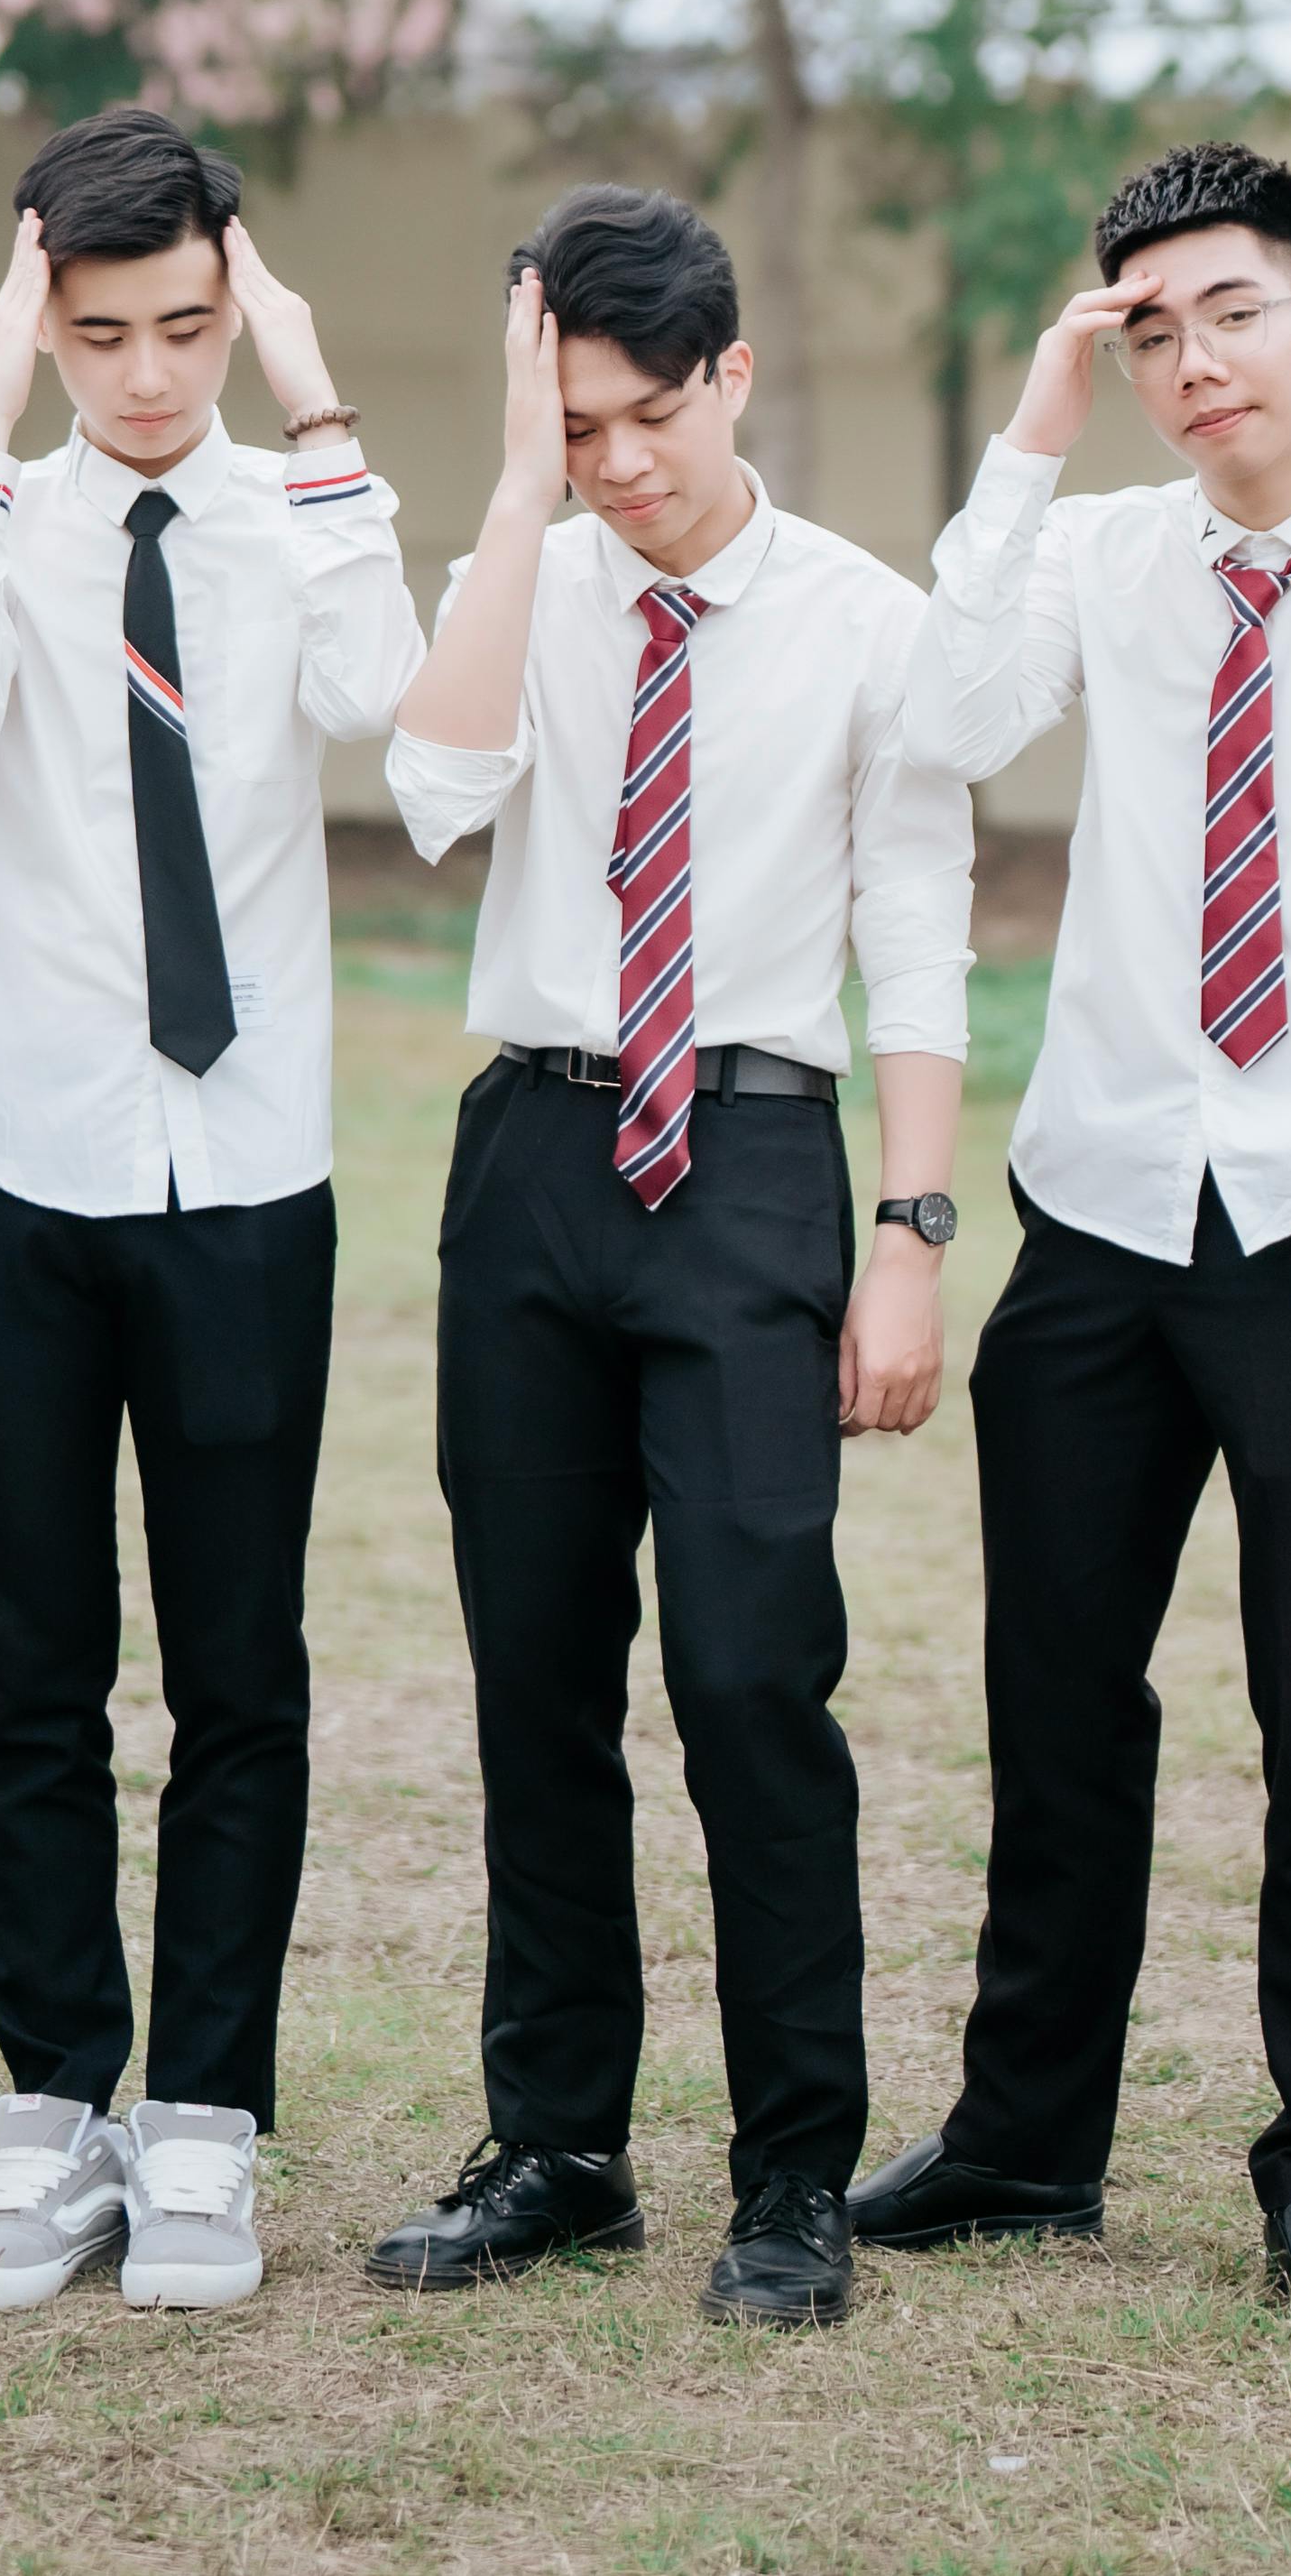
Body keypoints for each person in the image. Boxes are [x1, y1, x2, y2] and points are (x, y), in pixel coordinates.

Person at [855, 136, 1291, 2352]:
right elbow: (940, 720)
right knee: (1056, 1693)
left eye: (1231, 309)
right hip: (1095, 1208)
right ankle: (1024, 2132)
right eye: (1148, 324)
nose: (1194, 358)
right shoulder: (1090, 550)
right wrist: (1034, 421)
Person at [366, 186, 974, 2336]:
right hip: (532, 1144)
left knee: (744, 1677)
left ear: (732, 373)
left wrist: (908, 1235)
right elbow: (433, 787)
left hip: (749, 1156)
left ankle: (794, 2164)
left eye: (645, 417)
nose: (623, 461)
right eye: (577, 421)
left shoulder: (868, 619)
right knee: (537, 1677)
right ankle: (558, 2142)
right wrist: (521, 505)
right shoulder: (528, 567)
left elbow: (915, 927)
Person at [0, 109, 419, 2320]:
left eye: (183, 323)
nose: (145, 372)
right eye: (99, 332)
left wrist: (316, 393)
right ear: (45, 312)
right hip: (5, 1153)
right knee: (34, 1675)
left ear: (229, 290)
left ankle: (201, 2113)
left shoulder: (298, 514)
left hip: (240, 1175)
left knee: (238, 1672)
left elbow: (389, 705)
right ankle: (53, 2099)